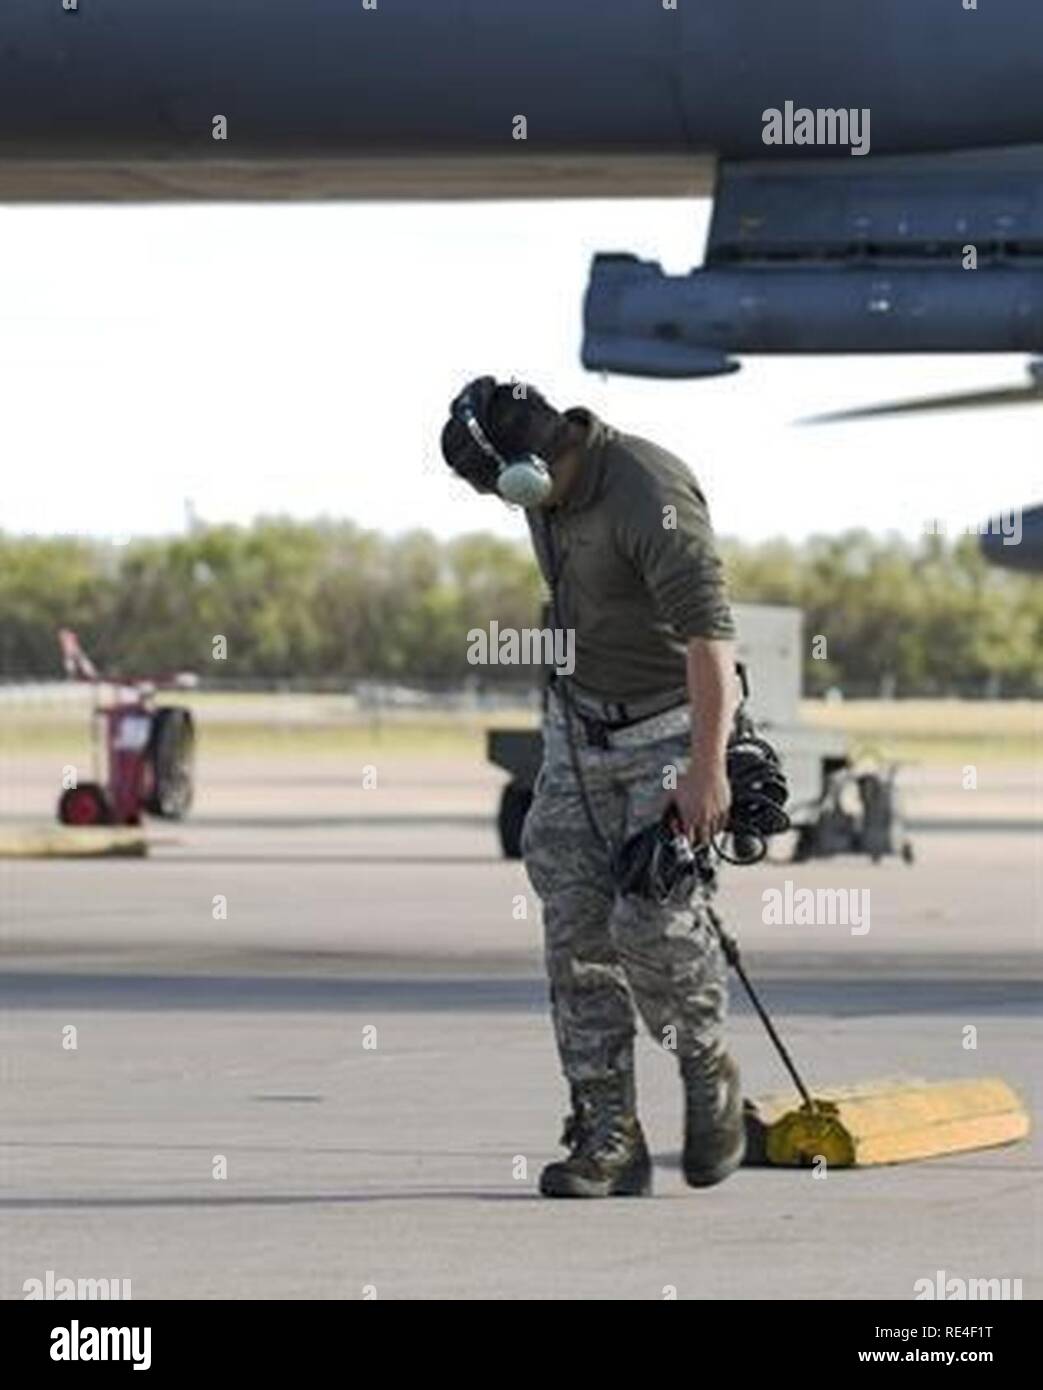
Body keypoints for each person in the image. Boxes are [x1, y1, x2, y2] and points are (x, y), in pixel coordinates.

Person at [441, 376, 744, 1198]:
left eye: (495, 484)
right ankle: (608, 1134)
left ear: (528, 463)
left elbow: (711, 644)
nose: (503, 504)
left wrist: (707, 768)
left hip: (666, 734)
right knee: (575, 935)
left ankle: (705, 1063)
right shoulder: (547, 497)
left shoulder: (648, 489)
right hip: (576, 732)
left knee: (652, 924)